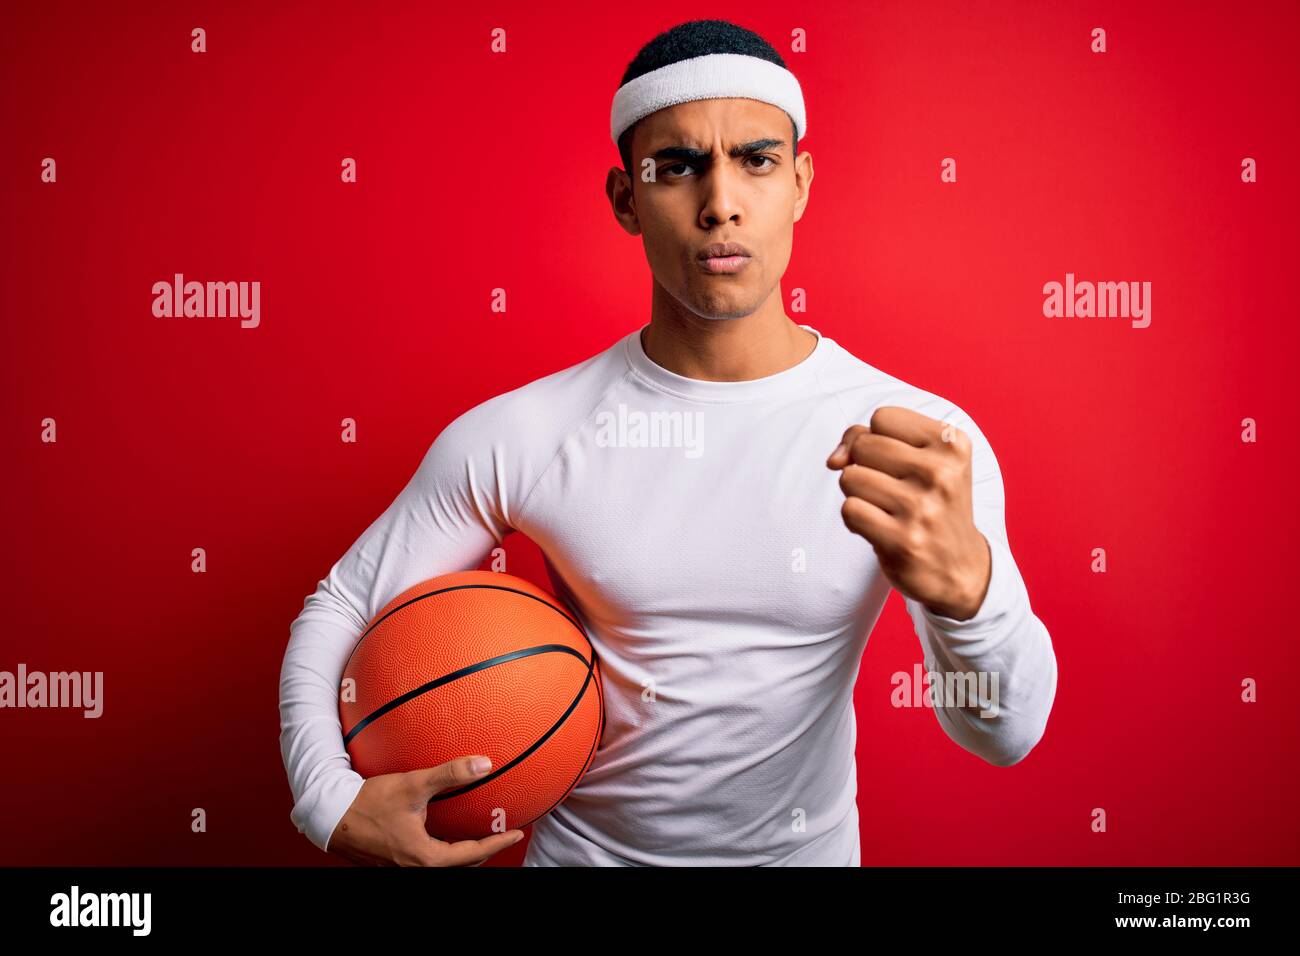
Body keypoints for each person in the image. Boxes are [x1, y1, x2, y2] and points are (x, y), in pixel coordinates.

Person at [278, 18, 1058, 867]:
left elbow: (1005, 735)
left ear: (798, 184)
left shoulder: (914, 442)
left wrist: (969, 598)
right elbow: (342, 606)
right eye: (678, 167)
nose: (720, 201)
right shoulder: (529, 431)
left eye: (756, 160)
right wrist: (329, 801)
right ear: (625, 200)